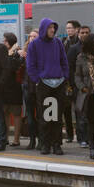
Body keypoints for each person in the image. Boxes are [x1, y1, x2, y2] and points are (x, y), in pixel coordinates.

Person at [26, 18, 69, 156]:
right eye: (50, 27)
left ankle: (57, 144)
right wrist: (37, 80)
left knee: (56, 115)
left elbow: (64, 60)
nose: (52, 30)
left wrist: (64, 76)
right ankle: (45, 144)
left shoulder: (57, 42)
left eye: (53, 27)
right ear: (44, 28)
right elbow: (30, 65)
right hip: (43, 84)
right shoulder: (34, 45)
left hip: (58, 83)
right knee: (45, 115)